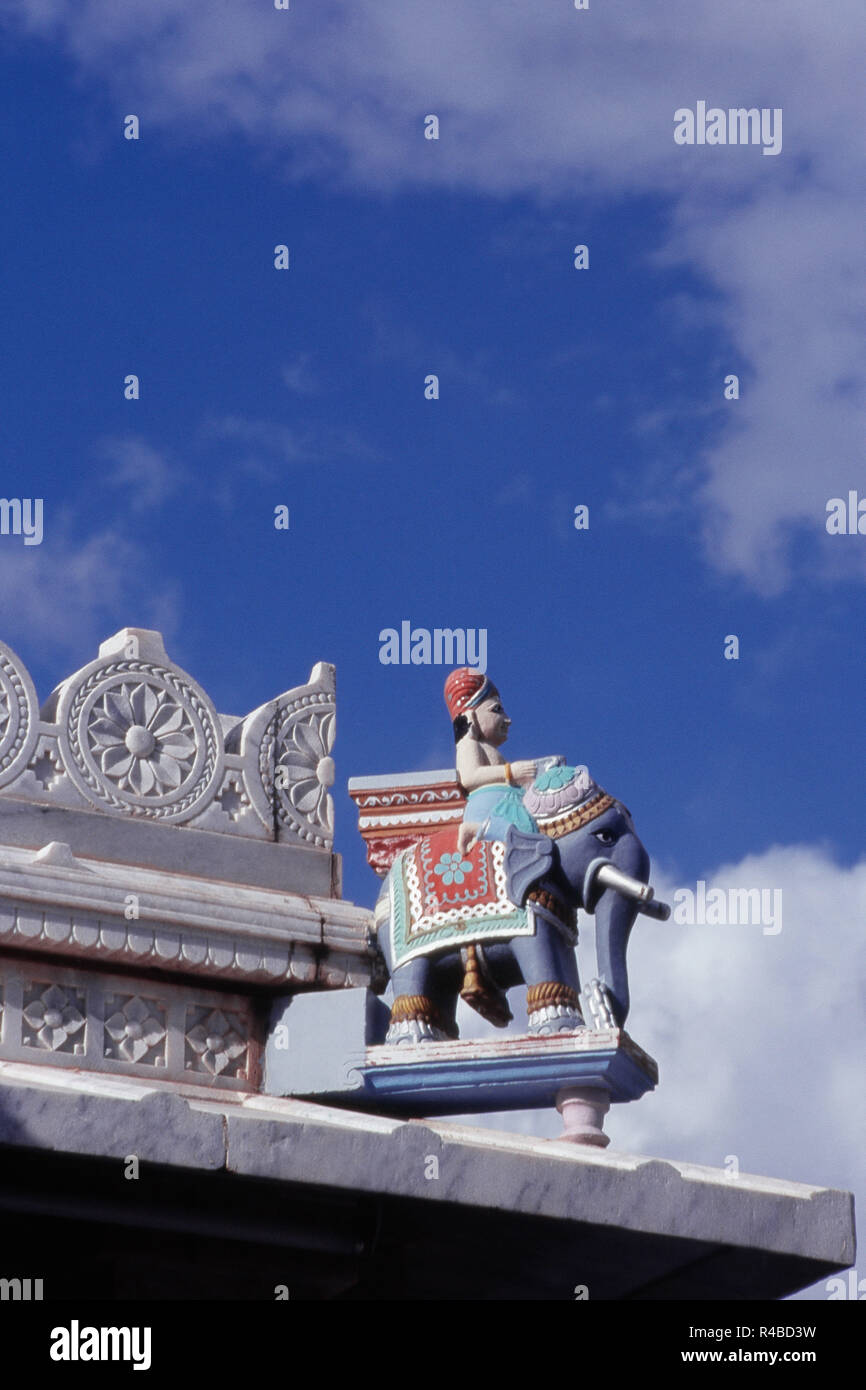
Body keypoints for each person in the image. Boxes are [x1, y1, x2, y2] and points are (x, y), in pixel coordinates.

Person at [443, 668, 540, 851]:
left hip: (509, 806)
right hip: (491, 809)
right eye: (497, 710)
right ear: (470, 715)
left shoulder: (490, 750)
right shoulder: (469, 744)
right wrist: (511, 772)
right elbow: (469, 776)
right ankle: (481, 829)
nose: (507, 719)